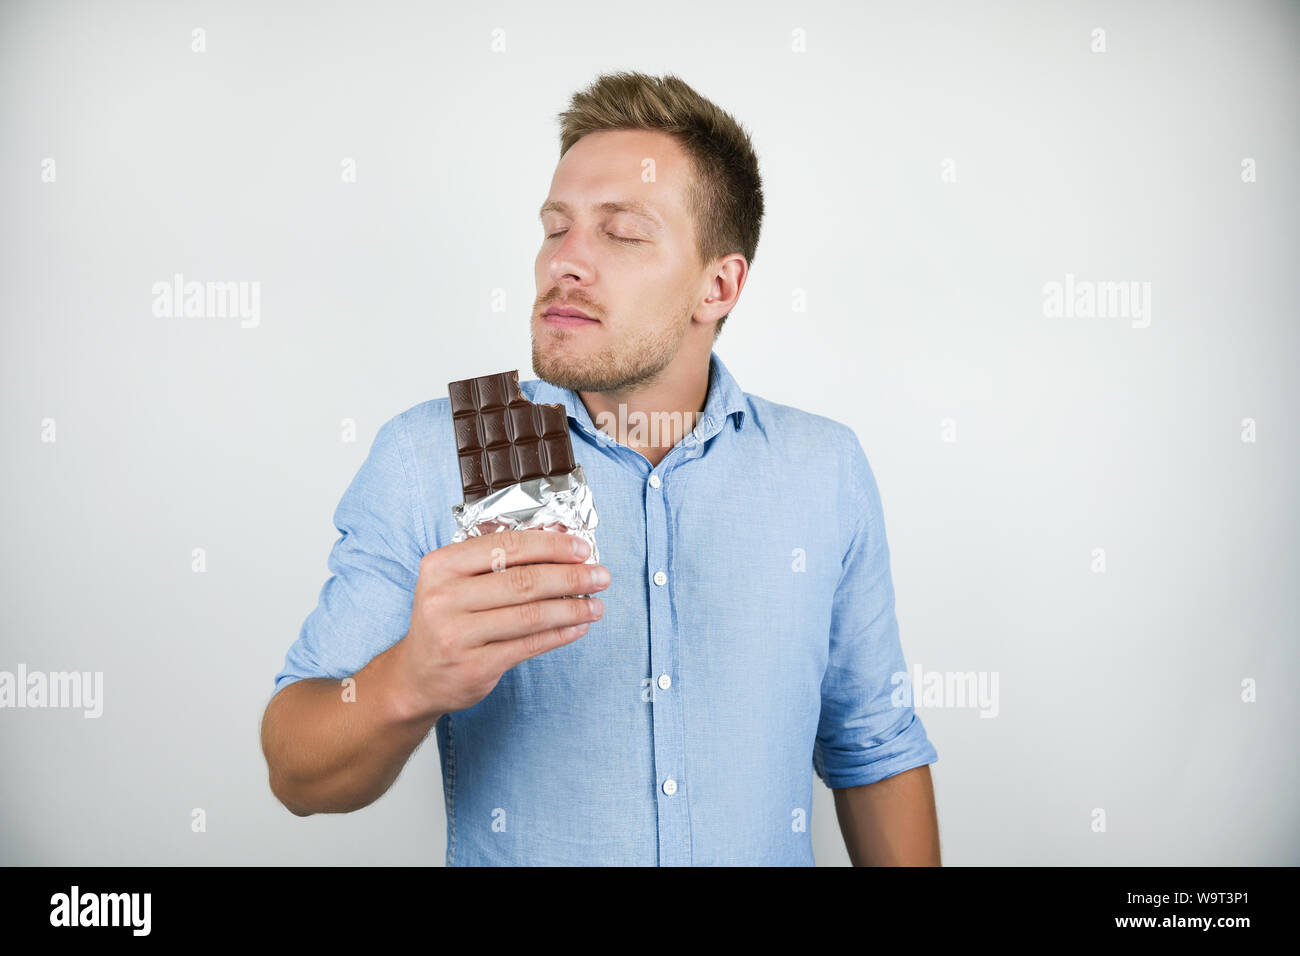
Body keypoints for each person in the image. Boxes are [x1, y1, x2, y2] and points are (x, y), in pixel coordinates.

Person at [261, 70, 940, 866]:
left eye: (620, 233)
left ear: (717, 285)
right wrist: (407, 680)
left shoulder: (824, 470)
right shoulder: (437, 454)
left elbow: (875, 748)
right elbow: (295, 768)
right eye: (556, 229)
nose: (565, 264)